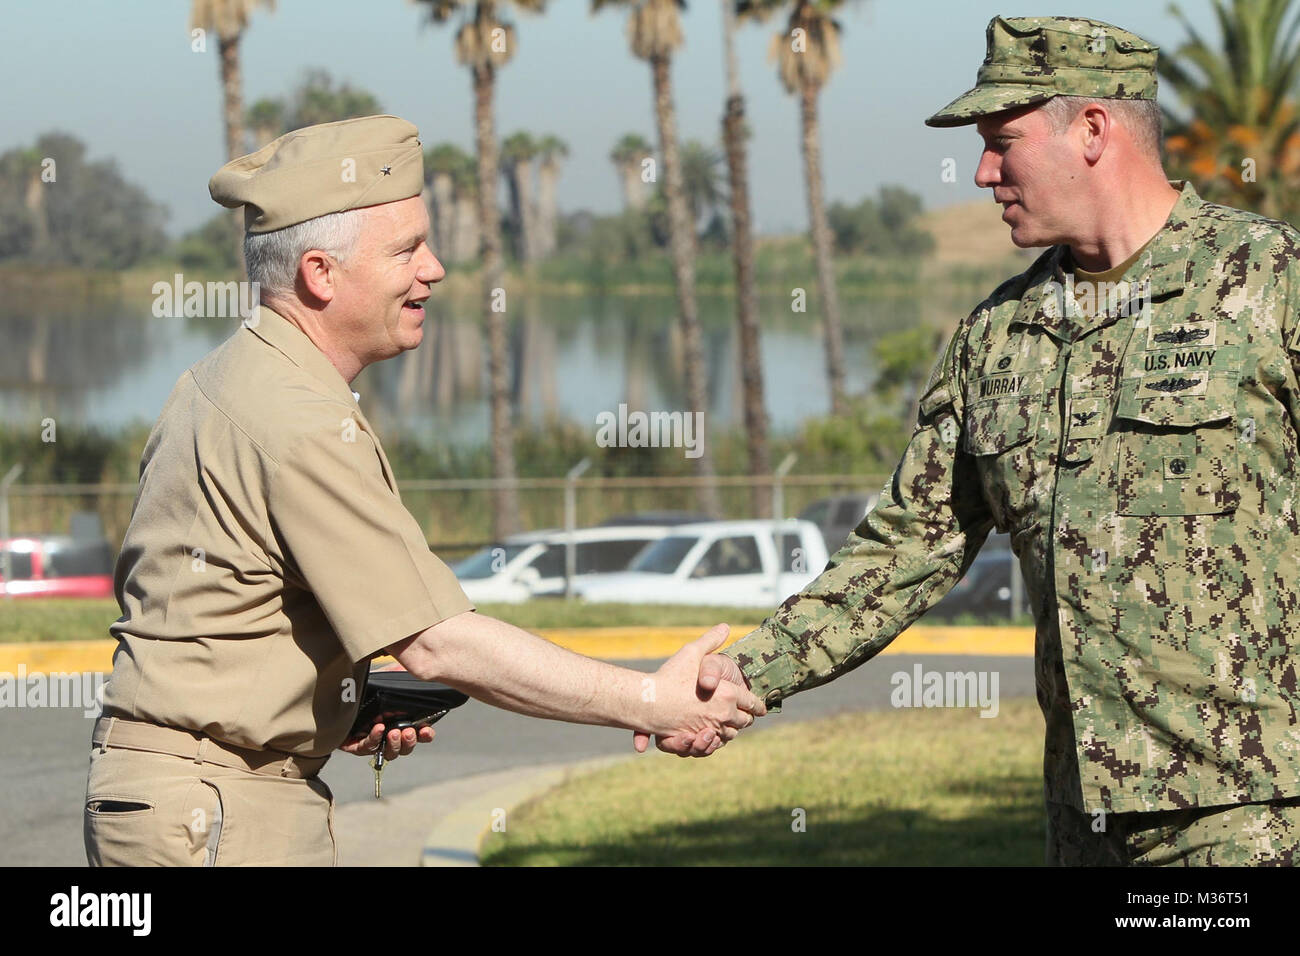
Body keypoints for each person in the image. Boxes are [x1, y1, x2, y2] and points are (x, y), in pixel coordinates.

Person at [651, 16, 1300, 865]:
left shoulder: (1267, 283)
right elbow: (910, 544)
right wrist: (749, 673)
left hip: (1254, 809)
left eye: (1004, 143)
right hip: (1084, 816)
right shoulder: (999, 335)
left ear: (1093, 131)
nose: (984, 172)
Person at [84, 115, 764, 867]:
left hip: (196, 798)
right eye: (407, 249)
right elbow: (438, 640)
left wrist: (342, 702)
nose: (434, 269)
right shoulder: (296, 418)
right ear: (321, 274)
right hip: (216, 812)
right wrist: (653, 702)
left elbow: (219, 614)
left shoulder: (224, 381)